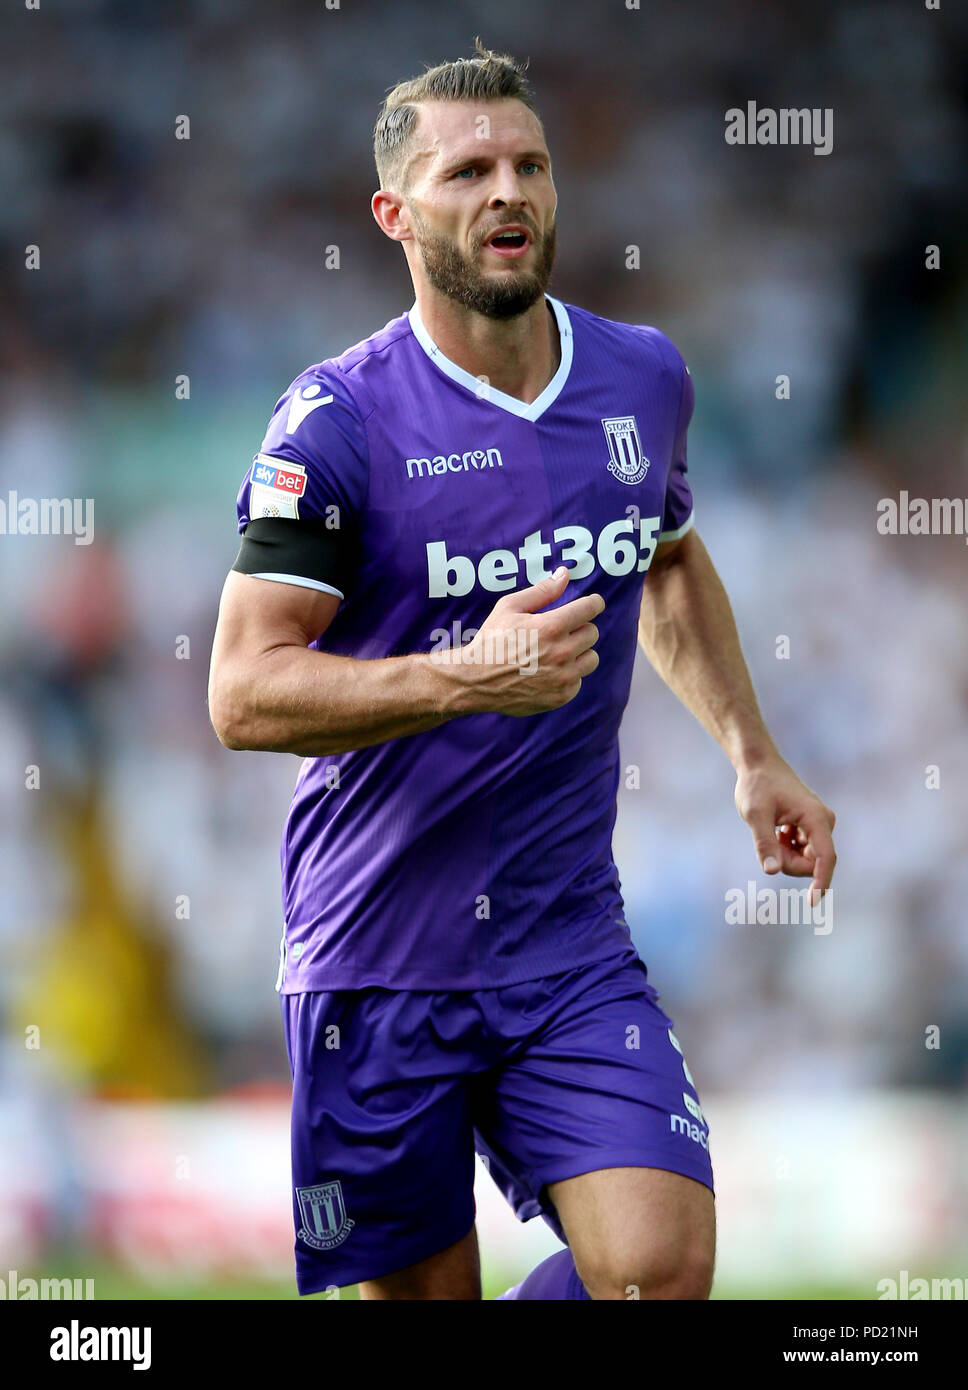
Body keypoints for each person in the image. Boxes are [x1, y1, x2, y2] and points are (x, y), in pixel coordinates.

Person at [207, 40, 836, 1301]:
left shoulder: (640, 376)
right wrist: (464, 675)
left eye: (529, 164)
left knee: (659, 1271)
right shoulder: (336, 423)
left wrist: (749, 752)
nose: (508, 190)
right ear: (394, 214)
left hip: (565, 946)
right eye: (467, 171)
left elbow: (659, 559)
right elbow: (241, 692)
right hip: (376, 957)